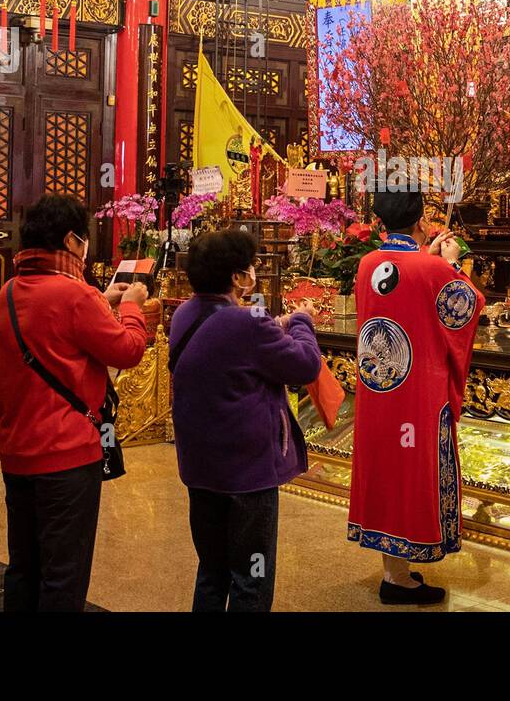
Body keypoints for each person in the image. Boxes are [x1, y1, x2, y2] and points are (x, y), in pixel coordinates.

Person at [0, 194, 149, 611]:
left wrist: (104, 303)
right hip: (65, 456)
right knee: (64, 572)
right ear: (70, 241)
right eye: (83, 239)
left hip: (17, 451)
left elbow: (57, 328)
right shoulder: (75, 296)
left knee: (23, 566)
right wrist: (132, 307)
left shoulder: (9, 290)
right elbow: (128, 351)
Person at [170, 228, 321, 612]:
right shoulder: (247, 324)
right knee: (250, 576)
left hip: (201, 469)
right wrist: (302, 322)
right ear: (238, 277)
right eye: (251, 266)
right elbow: (305, 365)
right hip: (247, 473)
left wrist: (276, 326)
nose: (254, 271)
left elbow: (237, 352)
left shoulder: (185, 314)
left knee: (212, 570)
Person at [347, 190, 481, 605]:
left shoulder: (368, 263)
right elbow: (465, 308)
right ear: (422, 218)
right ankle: (399, 576)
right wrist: (452, 264)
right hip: (417, 391)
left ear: (380, 220)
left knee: (387, 469)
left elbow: (403, 283)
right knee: (413, 471)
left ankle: (395, 570)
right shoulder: (433, 268)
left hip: (379, 388)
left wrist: (431, 258)